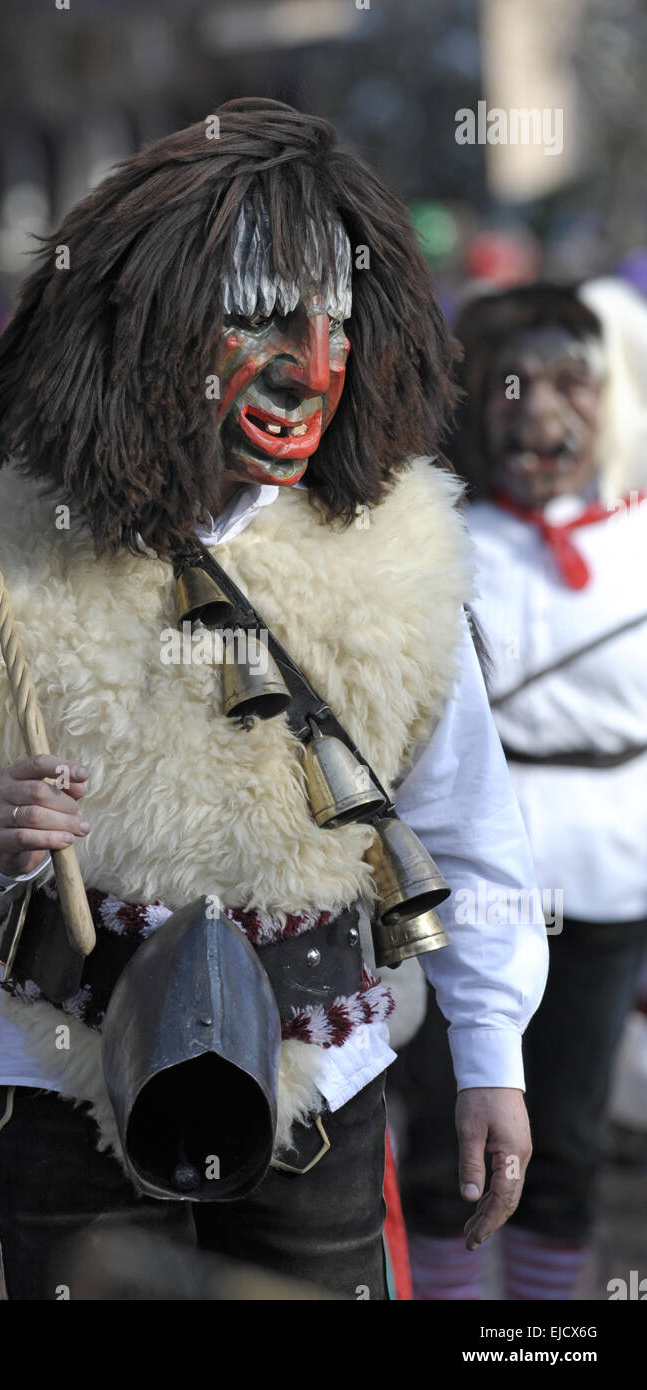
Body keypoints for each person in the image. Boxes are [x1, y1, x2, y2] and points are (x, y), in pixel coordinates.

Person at [0, 100, 547, 1300]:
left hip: (315, 1096)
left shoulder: (403, 562)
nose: (310, 360)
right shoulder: (4, 554)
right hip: (69, 1089)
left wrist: (492, 1057)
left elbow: (475, 839)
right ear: (152, 331)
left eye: (333, 320)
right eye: (264, 316)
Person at [399, 283, 647, 1300]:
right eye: (517, 383)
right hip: (461, 880)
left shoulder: (637, 540)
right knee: (449, 1135)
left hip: (603, 874)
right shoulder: (430, 544)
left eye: (569, 382)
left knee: (570, 1136)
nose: (542, 411)